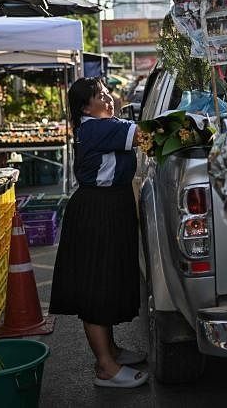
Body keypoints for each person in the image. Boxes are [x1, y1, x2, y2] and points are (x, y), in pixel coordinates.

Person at [49, 78, 148, 388]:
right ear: (84, 107)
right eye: (100, 95)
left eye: (107, 91)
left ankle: (112, 350)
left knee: (108, 278)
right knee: (97, 283)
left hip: (109, 205)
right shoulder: (95, 128)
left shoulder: (104, 124)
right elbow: (148, 137)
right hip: (97, 210)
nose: (108, 97)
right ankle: (105, 366)